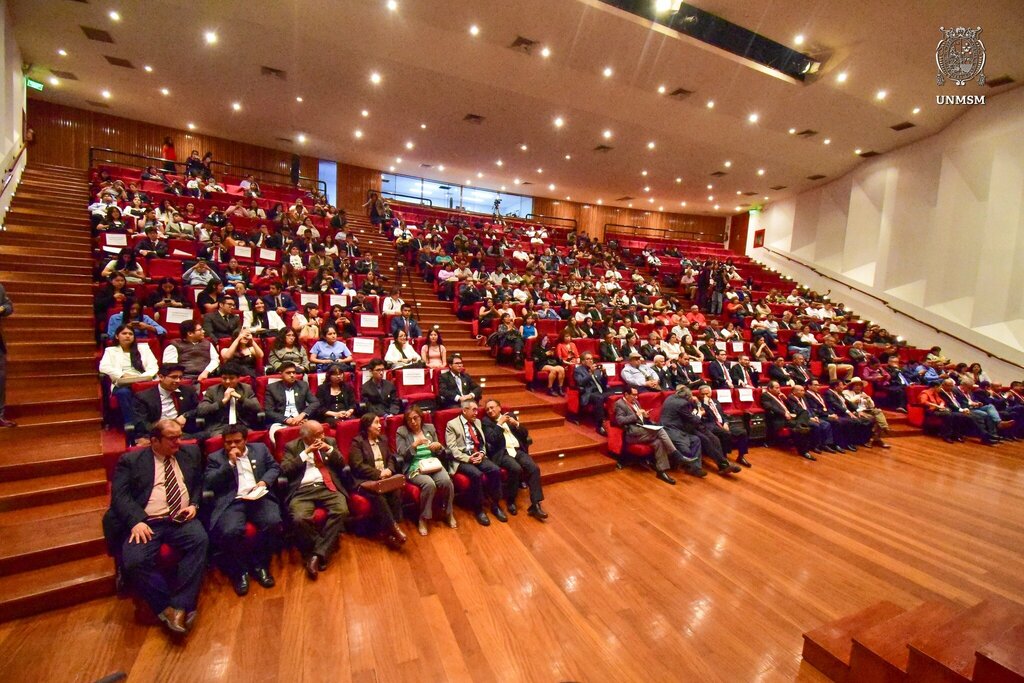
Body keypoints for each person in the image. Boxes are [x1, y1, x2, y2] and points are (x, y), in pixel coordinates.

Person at [102, 419, 207, 636]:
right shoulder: (131, 460)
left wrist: (194, 505)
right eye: (172, 438)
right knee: (134, 561)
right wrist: (136, 521)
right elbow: (120, 497)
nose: (179, 442)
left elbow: (198, 483)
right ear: (154, 441)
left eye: (180, 436)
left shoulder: (190, 454)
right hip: (147, 522)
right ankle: (165, 607)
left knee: (200, 540)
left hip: (180, 518)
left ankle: (181, 604)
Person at [203, 424, 282, 596]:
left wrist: (264, 482)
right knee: (230, 531)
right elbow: (209, 482)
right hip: (233, 501)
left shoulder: (260, 449)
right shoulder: (215, 458)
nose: (232, 446)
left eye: (237, 442)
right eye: (228, 442)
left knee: (273, 522)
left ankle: (260, 565)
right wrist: (230, 463)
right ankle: (240, 572)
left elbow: (274, 467)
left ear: (246, 440)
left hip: (259, 495)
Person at [279, 421, 350, 579]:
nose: (322, 436)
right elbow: (285, 470)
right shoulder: (292, 447)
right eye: (318, 435)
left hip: (327, 485)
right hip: (302, 490)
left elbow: (341, 463)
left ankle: (315, 556)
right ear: (306, 436)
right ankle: (322, 551)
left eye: (322, 432)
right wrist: (305, 454)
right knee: (299, 518)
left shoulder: (329, 442)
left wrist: (329, 450)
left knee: (342, 510)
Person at [613, 386, 697, 484]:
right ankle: (677, 456)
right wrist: (636, 415)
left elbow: (641, 418)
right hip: (632, 434)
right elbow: (620, 421)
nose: (636, 397)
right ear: (626, 394)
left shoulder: (636, 402)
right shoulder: (619, 404)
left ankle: (661, 471)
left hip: (642, 430)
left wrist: (646, 416)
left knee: (659, 442)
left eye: (637, 394)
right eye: (634, 395)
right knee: (660, 431)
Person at [481, 399, 548, 520]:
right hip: (503, 453)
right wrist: (499, 424)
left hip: (517, 450)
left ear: (500, 408)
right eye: (487, 409)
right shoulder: (486, 422)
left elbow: (525, 433)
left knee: (534, 468)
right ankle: (511, 501)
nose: (490, 411)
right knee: (515, 468)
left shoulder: (511, 416)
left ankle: (536, 504)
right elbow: (492, 439)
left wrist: (516, 424)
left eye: (492, 407)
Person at [349, 413, 407, 549]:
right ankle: (393, 529)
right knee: (378, 495)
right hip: (365, 481)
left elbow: (390, 459)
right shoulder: (357, 442)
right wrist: (379, 474)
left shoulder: (383, 440)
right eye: (376, 423)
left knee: (396, 491)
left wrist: (389, 471)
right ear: (368, 426)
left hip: (384, 478)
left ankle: (389, 529)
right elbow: (357, 465)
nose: (380, 426)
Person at [395, 406, 456, 535]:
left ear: (421, 418)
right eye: (409, 420)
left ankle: (449, 513)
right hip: (414, 466)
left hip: (431, 463)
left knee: (447, 481)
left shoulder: (430, 428)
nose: (413, 422)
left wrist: (438, 447)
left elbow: (439, 450)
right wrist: (413, 446)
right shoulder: (402, 432)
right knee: (429, 484)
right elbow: (401, 455)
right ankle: (423, 518)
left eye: (415, 418)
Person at [445, 399, 505, 526]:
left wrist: (482, 453)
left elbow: (482, 442)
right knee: (476, 475)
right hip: (462, 459)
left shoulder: (477, 422)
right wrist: (469, 458)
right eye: (473, 410)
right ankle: (479, 510)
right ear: (464, 410)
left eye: (477, 410)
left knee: (495, 470)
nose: (476, 413)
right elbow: (452, 450)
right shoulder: (452, 424)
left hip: (478, 455)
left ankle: (495, 505)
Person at [100, 325, 159, 431]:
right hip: (123, 382)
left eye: (130, 334)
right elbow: (103, 367)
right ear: (117, 336)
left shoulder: (143, 348)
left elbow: (153, 366)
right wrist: (122, 375)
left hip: (143, 380)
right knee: (123, 393)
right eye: (124, 333)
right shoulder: (111, 350)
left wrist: (141, 377)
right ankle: (131, 425)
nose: (128, 336)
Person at [131, 364, 204, 441]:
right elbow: (141, 423)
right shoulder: (143, 397)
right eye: (174, 377)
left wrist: (185, 416)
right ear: (161, 377)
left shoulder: (188, 391)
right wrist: (160, 426)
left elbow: (199, 408)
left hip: (182, 433)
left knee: (207, 435)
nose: (178, 380)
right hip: (157, 435)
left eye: (180, 377)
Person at [196, 363, 262, 434]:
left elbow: (257, 408)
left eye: (231, 378)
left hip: (242, 426)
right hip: (219, 428)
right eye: (224, 378)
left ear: (238, 378)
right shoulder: (212, 390)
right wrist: (222, 402)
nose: (227, 381)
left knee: (252, 437)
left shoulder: (246, 389)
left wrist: (240, 398)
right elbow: (201, 410)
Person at [696, 385, 751, 468]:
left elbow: (723, 415)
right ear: (699, 394)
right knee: (725, 433)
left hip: (722, 424)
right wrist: (705, 403)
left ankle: (741, 456)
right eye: (702, 394)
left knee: (743, 432)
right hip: (711, 426)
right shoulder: (699, 404)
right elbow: (703, 413)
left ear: (711, 393)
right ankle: (724, 458)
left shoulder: (716, 401)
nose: (705, 396)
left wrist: (726, 423)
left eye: (707, 394)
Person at [760, 381, 817, 460]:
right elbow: (769, 407)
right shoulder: (765, 395)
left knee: (804, 412)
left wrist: (785, 399)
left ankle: (799, 426)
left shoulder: (779, 396)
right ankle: (804, 451)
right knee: (800, 430)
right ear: (770, 388)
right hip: (779, 419)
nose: (779, 389)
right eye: (776, 388)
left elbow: (791, 408)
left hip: (790, 417)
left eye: (779, 387)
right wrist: (783, 413)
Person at [264, 362, 320, 441]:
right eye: (288, 373)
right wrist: (287, 420)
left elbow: (315, 402)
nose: (292, 375)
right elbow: (268, 411)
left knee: (315, 435)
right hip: (280, 423)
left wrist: (301, 415)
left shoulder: (303, 385)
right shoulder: (272, 388)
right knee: (278, 440)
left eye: (294, 372)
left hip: (301, 420)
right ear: (281, 374)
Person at [787, 384, 836, 454]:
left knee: (826, 424)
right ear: (794, 392)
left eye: (803, 390)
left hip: (811, 416)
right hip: (801, 418)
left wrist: (814, 416)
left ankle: (825, 444)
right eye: (801, 391)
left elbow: (809, 408)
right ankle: (814, 446)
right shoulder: (790, 399)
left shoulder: (803, 398)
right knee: (816, 426)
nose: (803, 392)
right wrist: (810, 418)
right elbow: (797, 411)